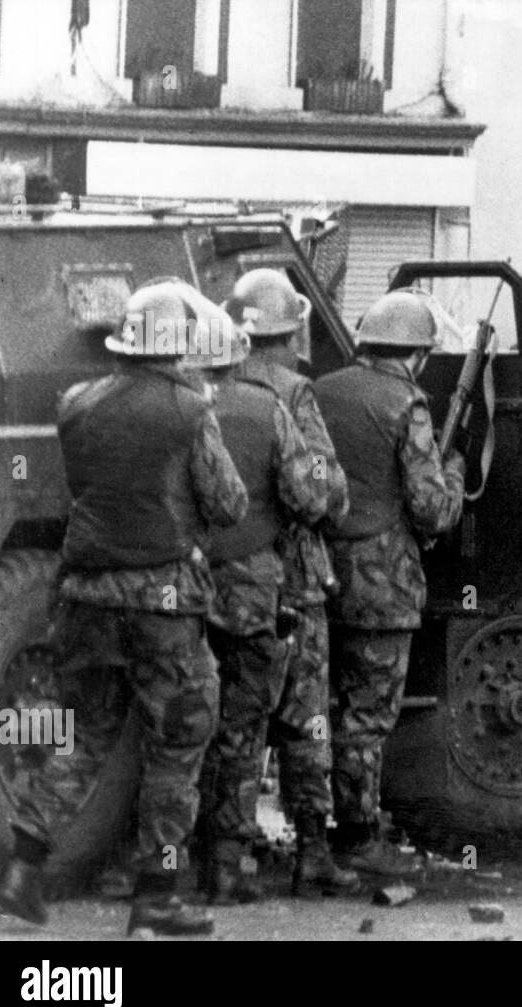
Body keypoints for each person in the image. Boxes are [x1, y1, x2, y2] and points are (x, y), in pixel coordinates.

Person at [0, 280, 248, 935]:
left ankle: (23, 874)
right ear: (179, 345)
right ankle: (154, 899)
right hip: (162, 605)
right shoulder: (191, 410)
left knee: (81, 737)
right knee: (178, 743)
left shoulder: (76, 404)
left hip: (83, 597)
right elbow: (227, 504)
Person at [314, 289, 466, 876]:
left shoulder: (321, 390)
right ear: (418, 355)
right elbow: (430, 510)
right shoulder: (410, 405)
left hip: (317, 577)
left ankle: (307, 836)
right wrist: (453, 474)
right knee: (368, 716)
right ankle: (357, 837)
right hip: (382, 583)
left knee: (313, 709)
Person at [187, 303, 332, 905]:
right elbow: (311, 496)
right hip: (252, 590)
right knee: (244, 730)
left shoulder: (180, 409)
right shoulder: (269, 407)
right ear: (239, 352)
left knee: (186, 725)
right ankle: (227, 864)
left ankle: (171, 860)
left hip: (183, 590)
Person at [220, 269, 359, 895]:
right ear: (293, 325)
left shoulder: (212, 384)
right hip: (294, 582)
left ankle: (228, 851)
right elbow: (324, 492)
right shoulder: (295, 393)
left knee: (234, 717)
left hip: (226, 578)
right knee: (307, 717)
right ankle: (311, 851)